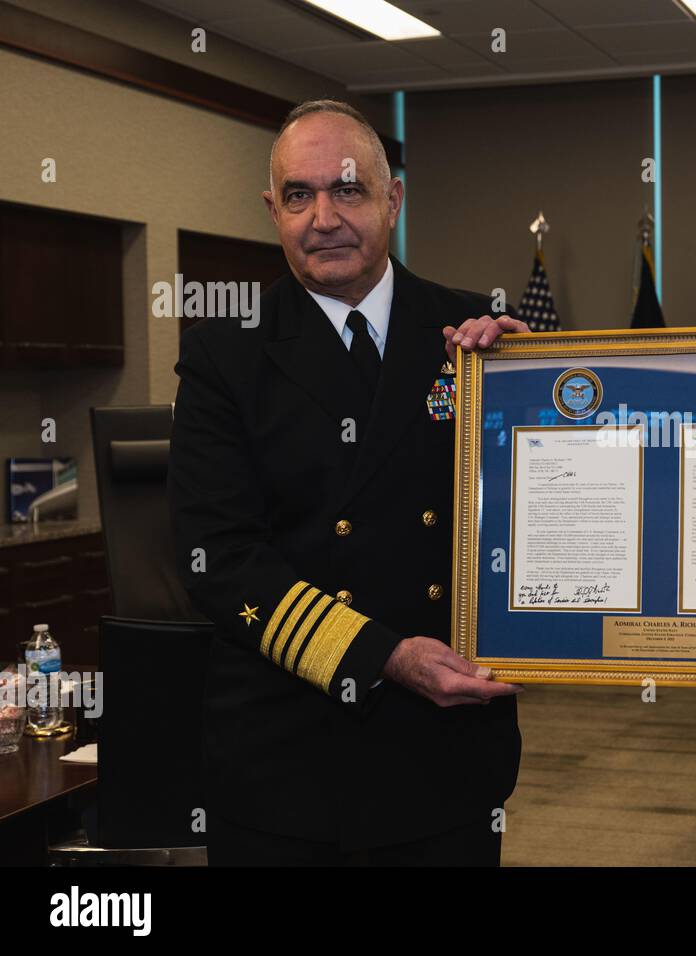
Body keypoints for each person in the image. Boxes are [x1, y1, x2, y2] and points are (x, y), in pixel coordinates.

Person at [169, 99, 530, 865]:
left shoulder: (478, 334)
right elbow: (220, 561)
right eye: (298, 196)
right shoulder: (221, 356)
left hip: (446, 758)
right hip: (285, 763)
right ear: (273, 210)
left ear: (393, 199)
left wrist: (534, 392)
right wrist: (385, 658)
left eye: (348, 190)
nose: (323, 217)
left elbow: (548, 513)